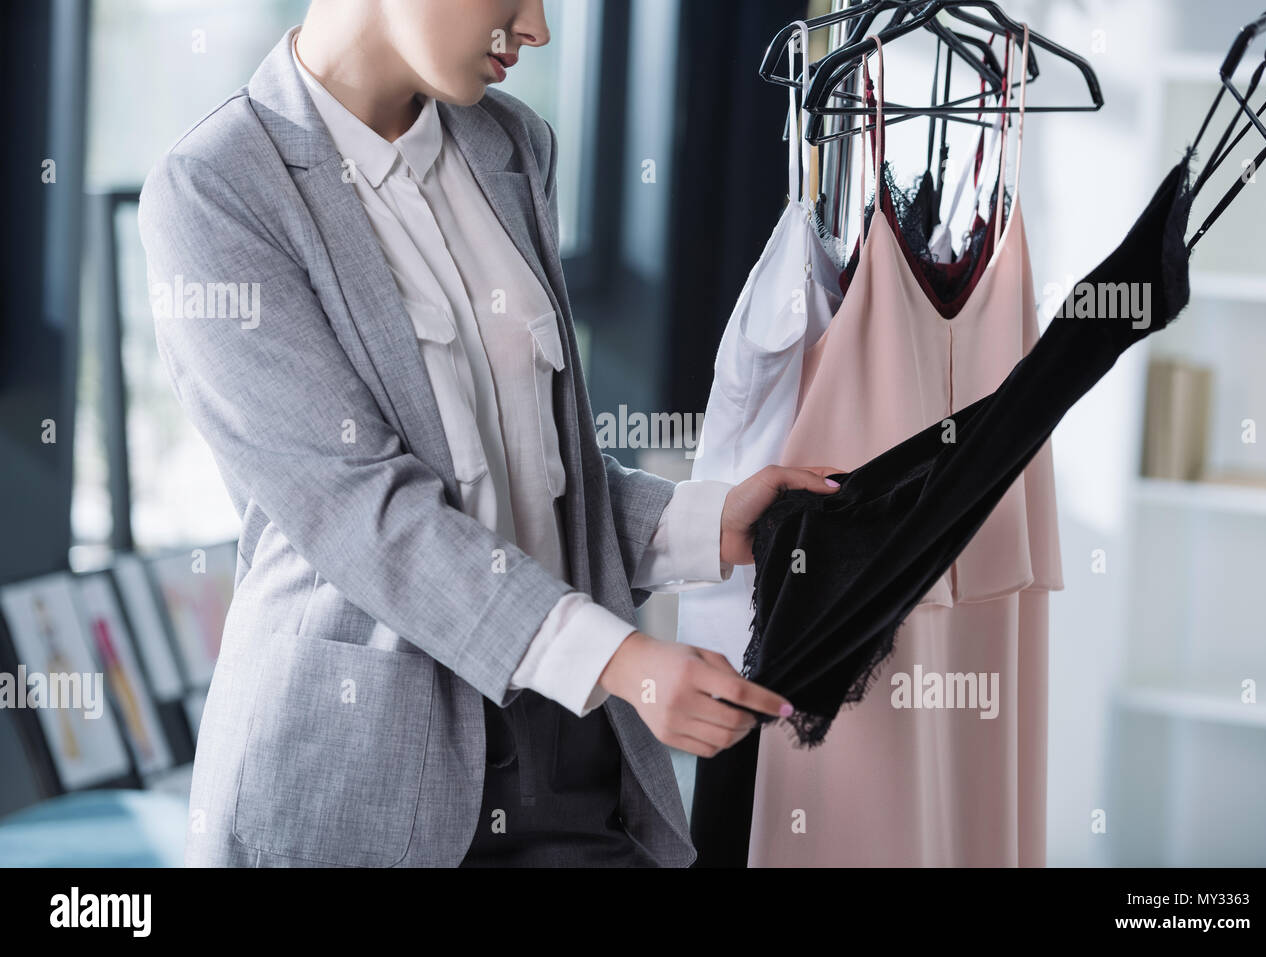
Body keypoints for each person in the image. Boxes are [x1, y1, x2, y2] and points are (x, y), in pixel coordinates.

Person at [137, 0, 843, 867]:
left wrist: (707, 521)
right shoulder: (216, 188)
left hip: (575, 751)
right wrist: (619, 656)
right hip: (355, 776)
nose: (537, 28)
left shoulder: (511, 145)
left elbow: (540, 473)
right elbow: (364, 513)